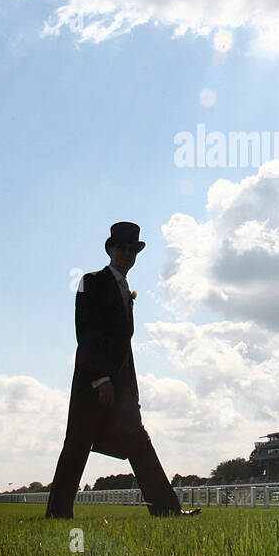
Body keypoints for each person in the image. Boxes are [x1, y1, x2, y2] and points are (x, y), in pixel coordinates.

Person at [46, 222, 199, 518]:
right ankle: (57, 513)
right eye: (122, 247)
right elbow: (86, 333)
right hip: (94, 382)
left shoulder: (125, 289)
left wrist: (129, 389)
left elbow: (123, 347)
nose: (127, 253)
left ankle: (167, 510)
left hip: (122, 388)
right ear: (110, 249)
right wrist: (101, 378)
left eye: (132, 249)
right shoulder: (88, 281)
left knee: (138, 442)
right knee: (77, 444)